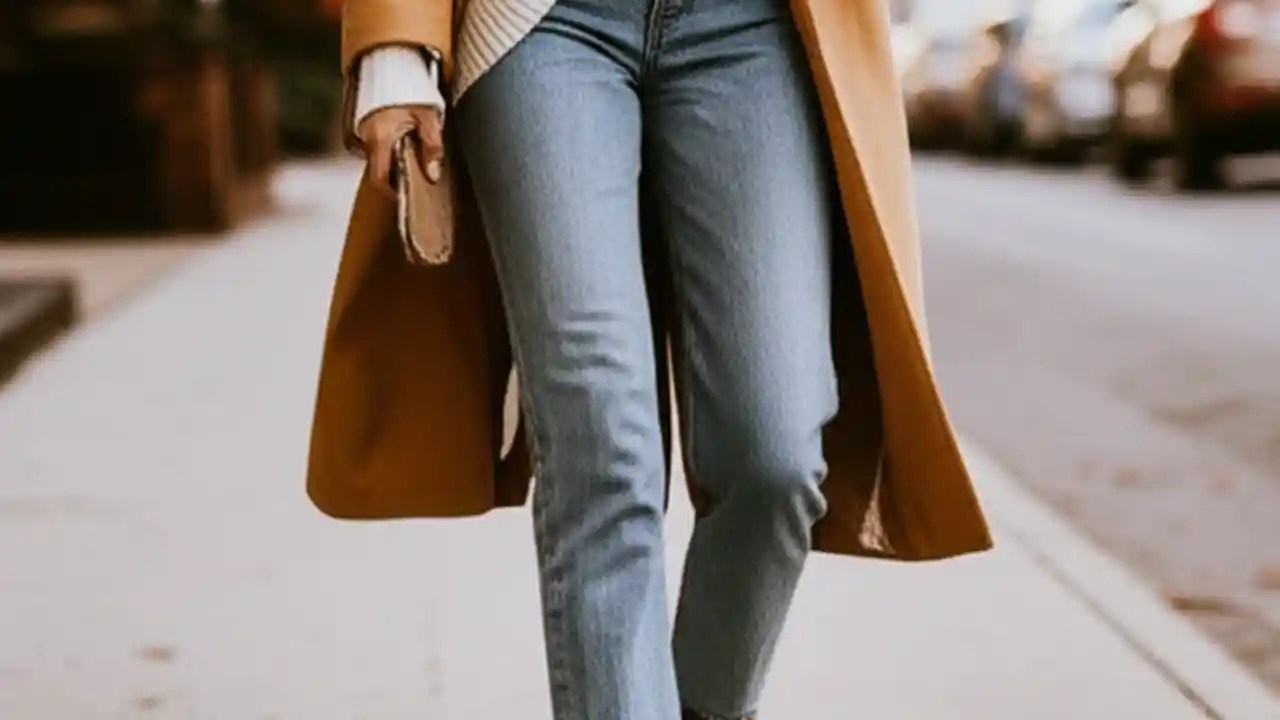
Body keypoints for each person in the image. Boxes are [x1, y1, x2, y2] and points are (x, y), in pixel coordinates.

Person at [306, 0, 995, 718]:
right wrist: (395, 40)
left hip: (754, 30)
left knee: (775, 455)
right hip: (542, 26)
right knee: (602, 450)